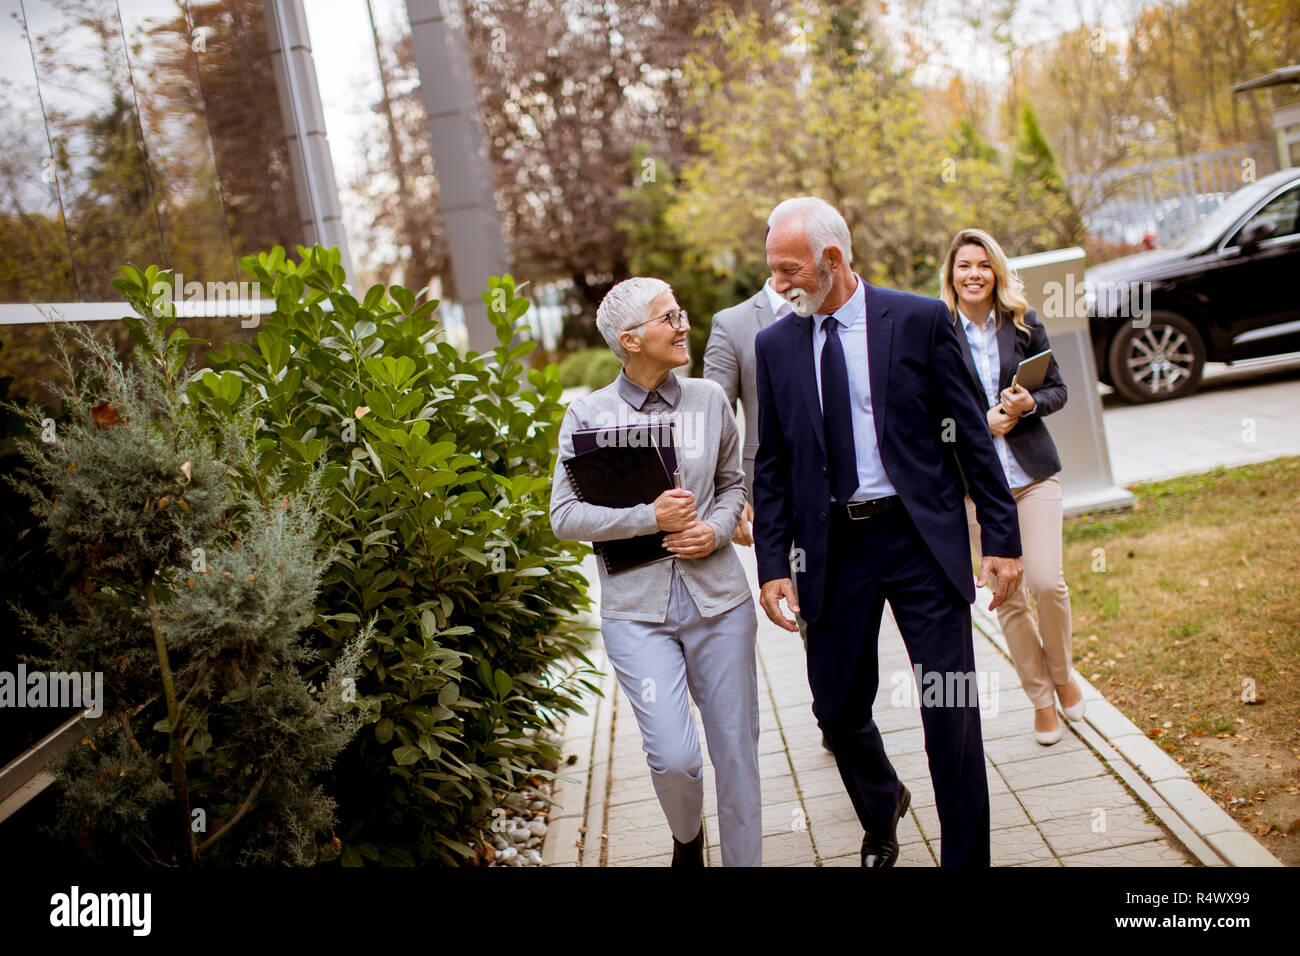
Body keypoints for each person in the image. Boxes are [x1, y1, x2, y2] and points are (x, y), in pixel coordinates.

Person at [752, 197, 1024, 867]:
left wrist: (1002, 536)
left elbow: (970, 438)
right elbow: (773, 465)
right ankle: (883, 806)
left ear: (833, 261)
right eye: (774, 271)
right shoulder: (774, 344)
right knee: (838, 712)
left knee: (949, 713)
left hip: (918, 541)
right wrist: (771, 564)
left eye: (789, 270)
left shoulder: (919, 319)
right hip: (832, 552)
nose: (779, 285)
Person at [549, 277, 761, 867]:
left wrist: (716, 530)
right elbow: (564, 515)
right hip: (636, 612)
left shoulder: (709, 400)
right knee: (673, 756)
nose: (684, 324)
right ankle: (688, 838)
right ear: (631, 338)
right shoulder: (587, 414)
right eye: (669, 317)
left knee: (736, 751)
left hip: (720, 603)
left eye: (681, 313)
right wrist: (651, 517)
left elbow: (731, 487)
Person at [940, 228, 1085, 746]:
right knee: (1009, 598)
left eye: (982, 264)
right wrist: (983, 422)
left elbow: (1059, 389)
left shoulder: (1023, 324)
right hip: (978, 490)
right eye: (964, 266)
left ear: (995, 271)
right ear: (951, 275)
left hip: (1033, 476)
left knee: (1047, 582)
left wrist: (1029, 406)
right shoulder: (938, 331)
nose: (973, 274)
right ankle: (1042, 700)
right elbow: (928, 418)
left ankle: (1064, 674)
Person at [703, 278, 790, 544]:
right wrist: (727, 497)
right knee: (791, 583)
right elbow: (715, 419)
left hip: (857, 491)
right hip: (775, 488)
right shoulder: (731, 324)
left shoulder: (838, 311)